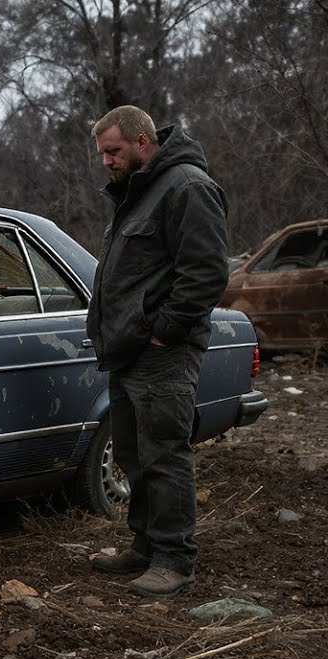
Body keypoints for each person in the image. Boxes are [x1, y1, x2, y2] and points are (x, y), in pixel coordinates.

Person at [86, 105, 230, 598]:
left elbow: (207, 272)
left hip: (163, 352)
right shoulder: (139, 193)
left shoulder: (187, 187)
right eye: (102, 153)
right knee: (131, 451)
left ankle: (175, 559)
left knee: (164, 452)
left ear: (143, 142)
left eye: (113, 151)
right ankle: (145, 546)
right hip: (129, 351)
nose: (105, 161)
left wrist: (165, 331)